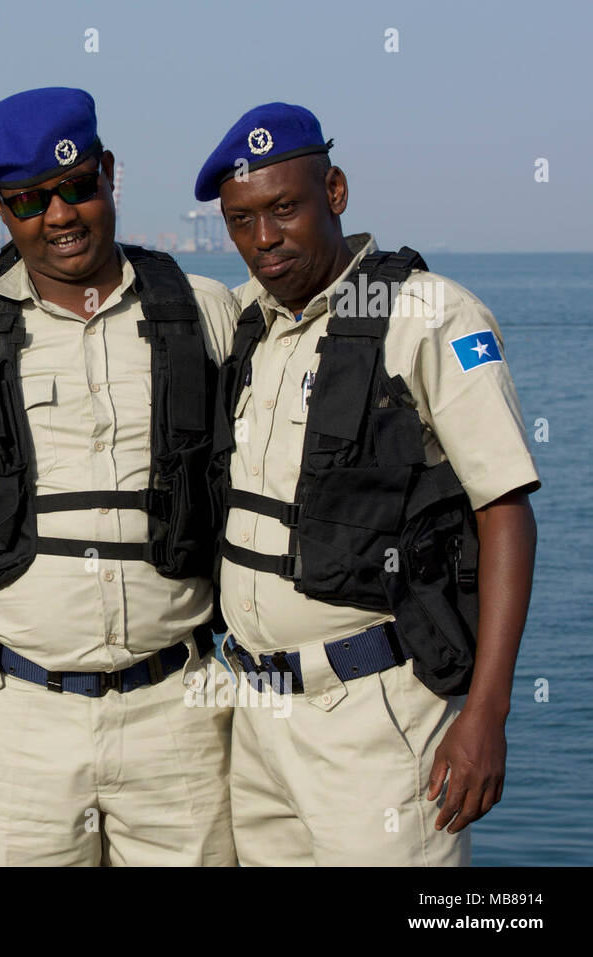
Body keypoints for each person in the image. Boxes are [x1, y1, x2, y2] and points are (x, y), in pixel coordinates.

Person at [195, 102, 539, 865]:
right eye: (242, 219)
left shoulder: (427, 315)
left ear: (336, 190)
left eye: (284, 208)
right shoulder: (250, 322)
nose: (264, 238)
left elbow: (505, 508)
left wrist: (486, 714)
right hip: (252, 718)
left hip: (374, 716)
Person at [0, 87, 242, 866]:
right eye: (29, 200)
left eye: (75, 186)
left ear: (107, 174)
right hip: (16, 723)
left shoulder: (204, 312)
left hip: (180, 716)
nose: (59, 215)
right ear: (0, 210)